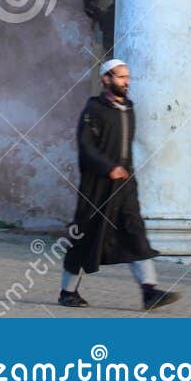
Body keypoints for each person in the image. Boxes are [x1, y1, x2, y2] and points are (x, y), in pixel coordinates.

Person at [58, 59, 180, 311]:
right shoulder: (94, 109)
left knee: (135, 232)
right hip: (97, 186)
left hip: (125, 184)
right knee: (85, 237)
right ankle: (67, 291)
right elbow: (85, 146)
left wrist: (125, 173)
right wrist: (107, 167)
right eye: (121, 77)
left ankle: (149, 291)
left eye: (128, 77)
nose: (126, 82)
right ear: (106, 79)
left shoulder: (129, 108)